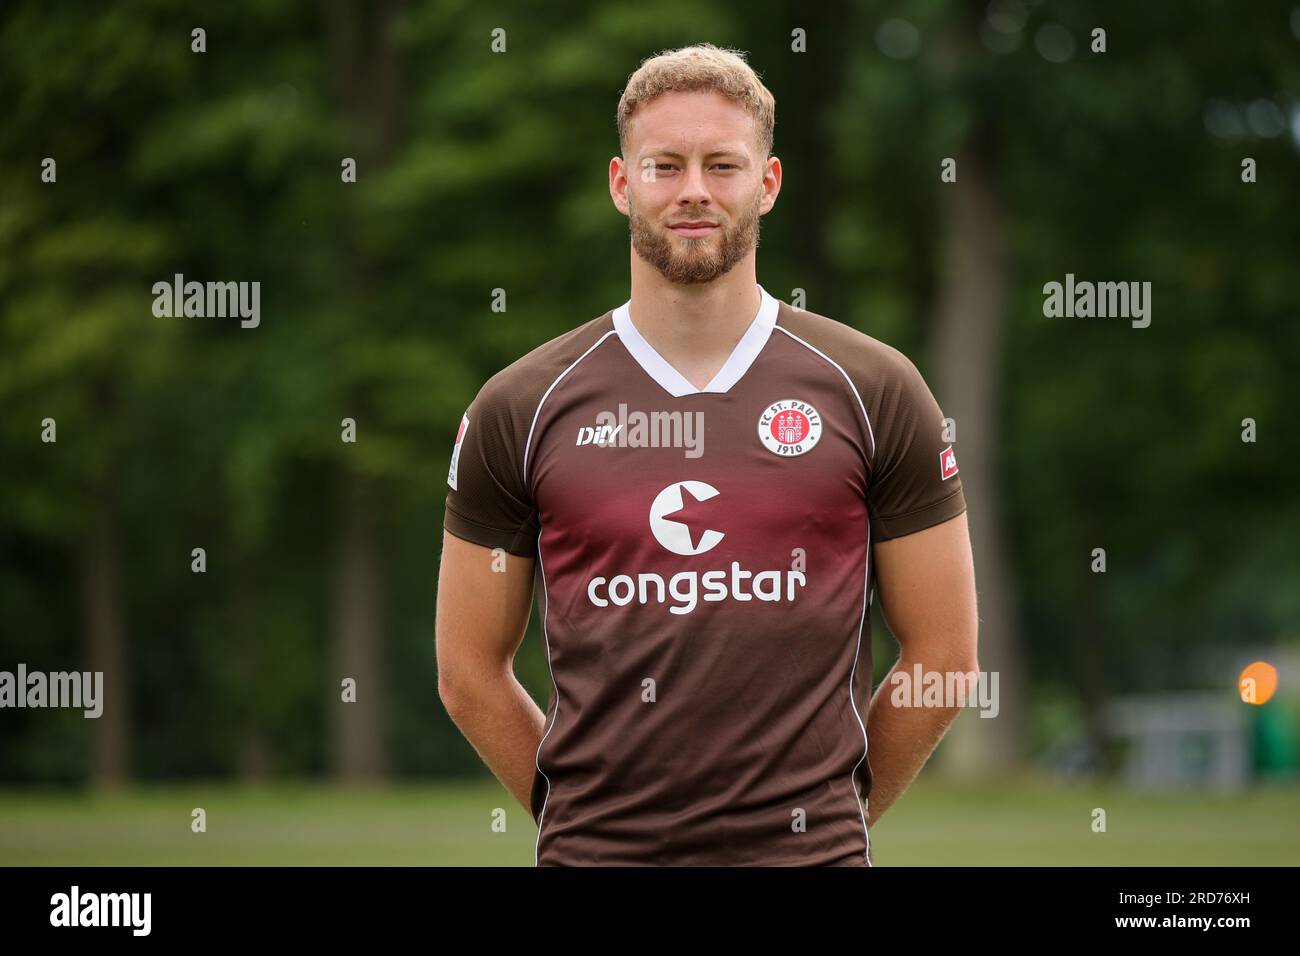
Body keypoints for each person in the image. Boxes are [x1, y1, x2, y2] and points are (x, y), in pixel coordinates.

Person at [436, 43, 978, 866]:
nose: (693, 190)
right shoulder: (520, 405)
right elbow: (468, 670)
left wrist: (834, 819)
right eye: (665, 166)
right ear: (623, 185)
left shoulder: (875, 388)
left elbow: (945, 656)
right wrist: (577, 821)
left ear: (768, 183)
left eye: (723, 165)